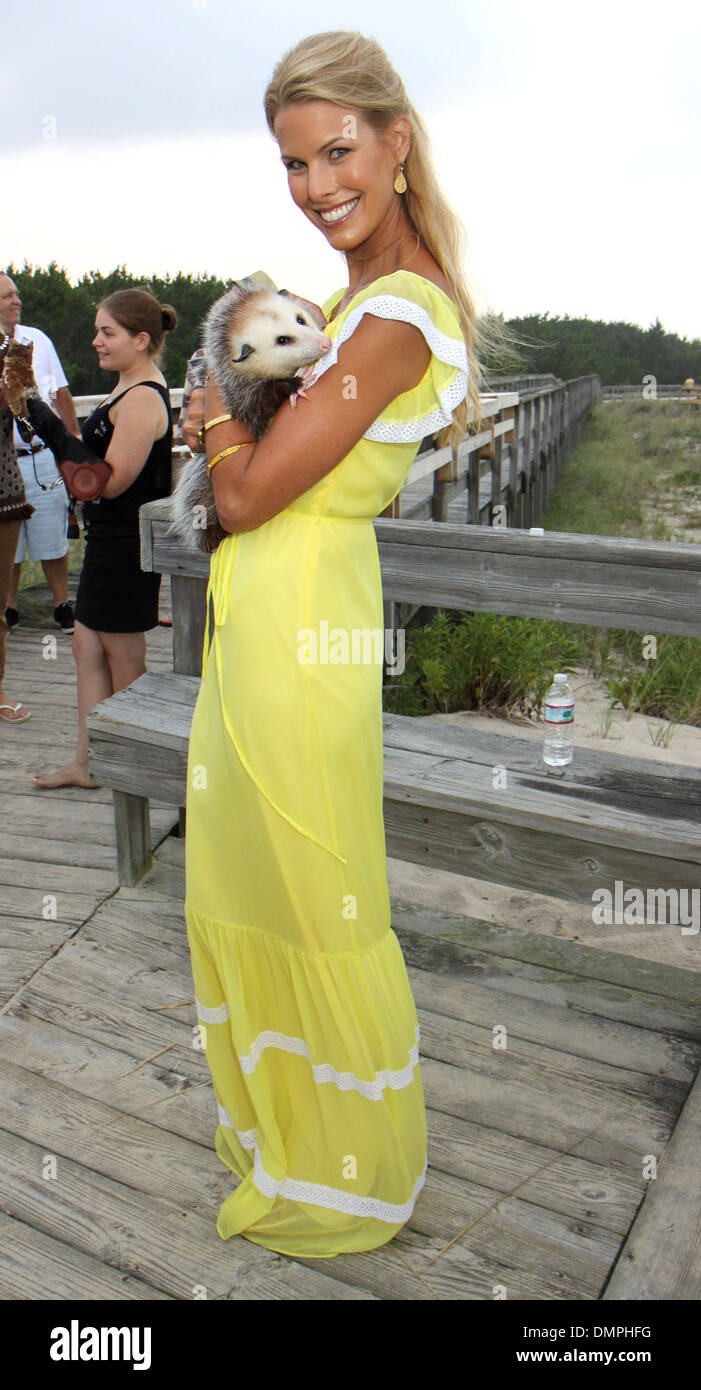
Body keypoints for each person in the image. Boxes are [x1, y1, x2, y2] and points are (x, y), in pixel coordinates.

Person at [179, 29, 483, 1259]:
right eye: (294, 164)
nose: (315, 188)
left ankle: (352, 1169)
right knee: (253, 882)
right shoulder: (349, 310)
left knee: (319, 896)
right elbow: (342, 475)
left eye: (337, 151)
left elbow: (248, 499)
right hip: (270, 627)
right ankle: (289, 1131)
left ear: (396, 143)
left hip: (299, 647)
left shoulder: (399, 315)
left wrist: (208, 428)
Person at [32, 289, 175, 788]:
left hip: (125, 545)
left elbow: (106, 482)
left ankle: (134, 765)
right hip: (109, 540)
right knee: (87, 649)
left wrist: (42, 418)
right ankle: (90, 760)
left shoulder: (140, 399)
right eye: (96, 330)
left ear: (140, 340)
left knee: (123, 656)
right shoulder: (126, 388)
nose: (96, 340)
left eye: (107, 332)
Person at [0, 273, 80, 642]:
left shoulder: (39, 340)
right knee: (8, 540)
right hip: (4, 459)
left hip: (43, 453)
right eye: (6, 296)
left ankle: (62, 604)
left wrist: (73, 445)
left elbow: (60, 392)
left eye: (16, 294)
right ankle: (8, 608)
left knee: (52, 534)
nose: (16, 301)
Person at [0, 339, 34, 723]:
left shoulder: (13, 353)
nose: (15, 301)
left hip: (3, 494)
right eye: (6, 295)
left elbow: (27, 416)